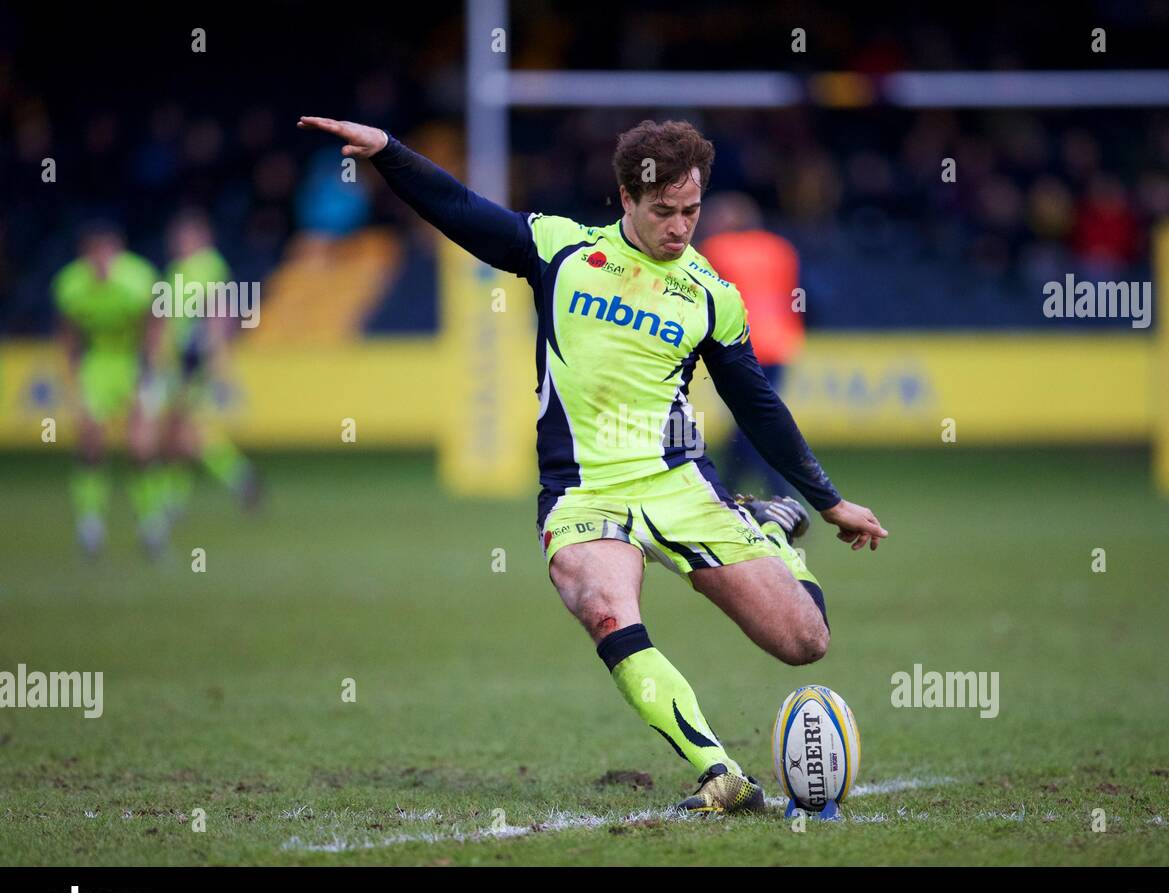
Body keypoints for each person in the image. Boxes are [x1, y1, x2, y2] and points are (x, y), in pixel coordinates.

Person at [298, 115, 889, 813]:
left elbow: (757, 405)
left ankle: (771, 535)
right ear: (626, 198)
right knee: (606, 610)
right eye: (663, 210)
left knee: (805, 642)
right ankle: (719, 772)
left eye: (692, 210)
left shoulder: (712, 295)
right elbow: (460, 210)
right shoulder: (562, 249)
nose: (680, 227)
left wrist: (828, 502)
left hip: (678, 485)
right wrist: (389, 153)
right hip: (583, 495)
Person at [51, 222, 168, 557]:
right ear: (85, 254)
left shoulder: (139, 279)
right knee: (91, 442)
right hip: (97, 365)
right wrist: (71, 376)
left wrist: (150, 371)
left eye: (108, 252)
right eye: (95, 253)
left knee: (140, 446)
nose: (102, 260)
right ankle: (90, 524)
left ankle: (151, 522)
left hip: (133, 363)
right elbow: (68, 332)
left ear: (118, 252)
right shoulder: (69, 284)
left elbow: (155, 326)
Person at [696, 192, 806, 499]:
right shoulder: (780, 248)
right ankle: (728, 489)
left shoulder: (717, 249)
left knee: (752, 424)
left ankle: (777, 492)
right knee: (753, 420)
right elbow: (794, 293)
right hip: (779, 343)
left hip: (739, 344)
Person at [158, 209, 259, 519]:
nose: (180, 242)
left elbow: (219, 313)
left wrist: (217, 359)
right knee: (181, 432)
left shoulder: (209, 266)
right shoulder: (178, 269)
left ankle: (234, 477)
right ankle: (233, 478)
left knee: (183, 430)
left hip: (194, 359)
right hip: (177, 359)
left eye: (186, 237)